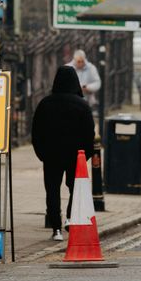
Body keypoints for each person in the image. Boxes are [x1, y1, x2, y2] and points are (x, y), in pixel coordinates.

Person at [31, 66, 96, 241]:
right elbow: (89, 134)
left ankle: (56, 229)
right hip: (75, 156)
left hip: (51, 155)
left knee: (52, 191)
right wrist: (85, 155)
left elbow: (36, 132)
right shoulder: (82, 105)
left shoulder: (45, 104)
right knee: (75, 189)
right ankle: (70, 218)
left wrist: (42, 154)